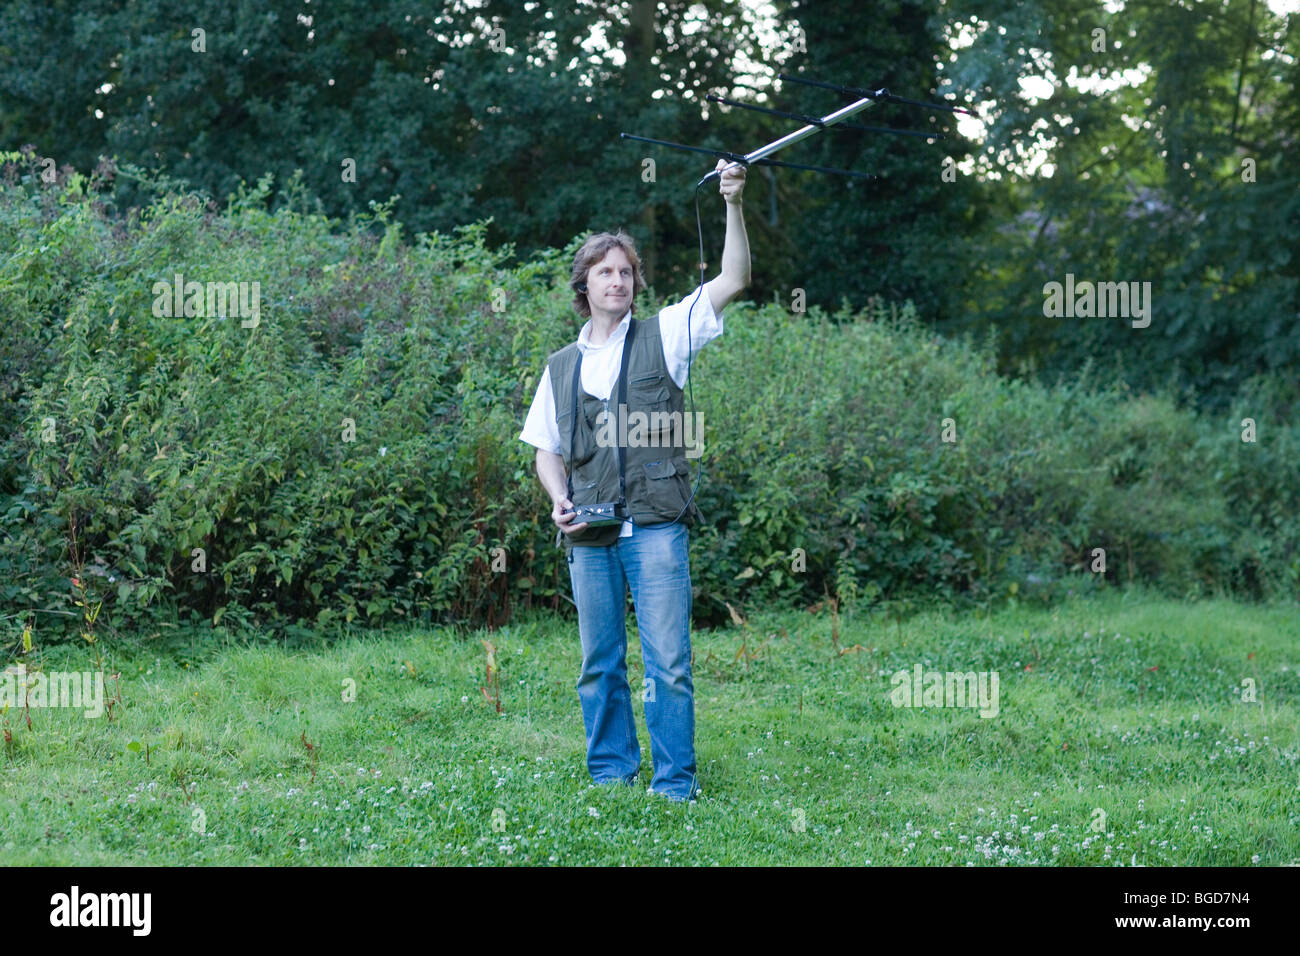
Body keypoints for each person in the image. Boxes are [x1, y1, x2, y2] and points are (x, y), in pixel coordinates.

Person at [518, 159, 749, 801]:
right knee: (600, 665)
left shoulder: (666, 335)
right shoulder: (561, 366)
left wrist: (733, 202)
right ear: (584, 286)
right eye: (605, 272)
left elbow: (734, 277)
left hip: (653, 530)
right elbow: (545, 448)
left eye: (626, 271)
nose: (618, 281)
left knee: (669, 664)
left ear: (636, 283)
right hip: (589, 535)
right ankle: (611, 772)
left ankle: (675, 783)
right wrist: (559, 498)